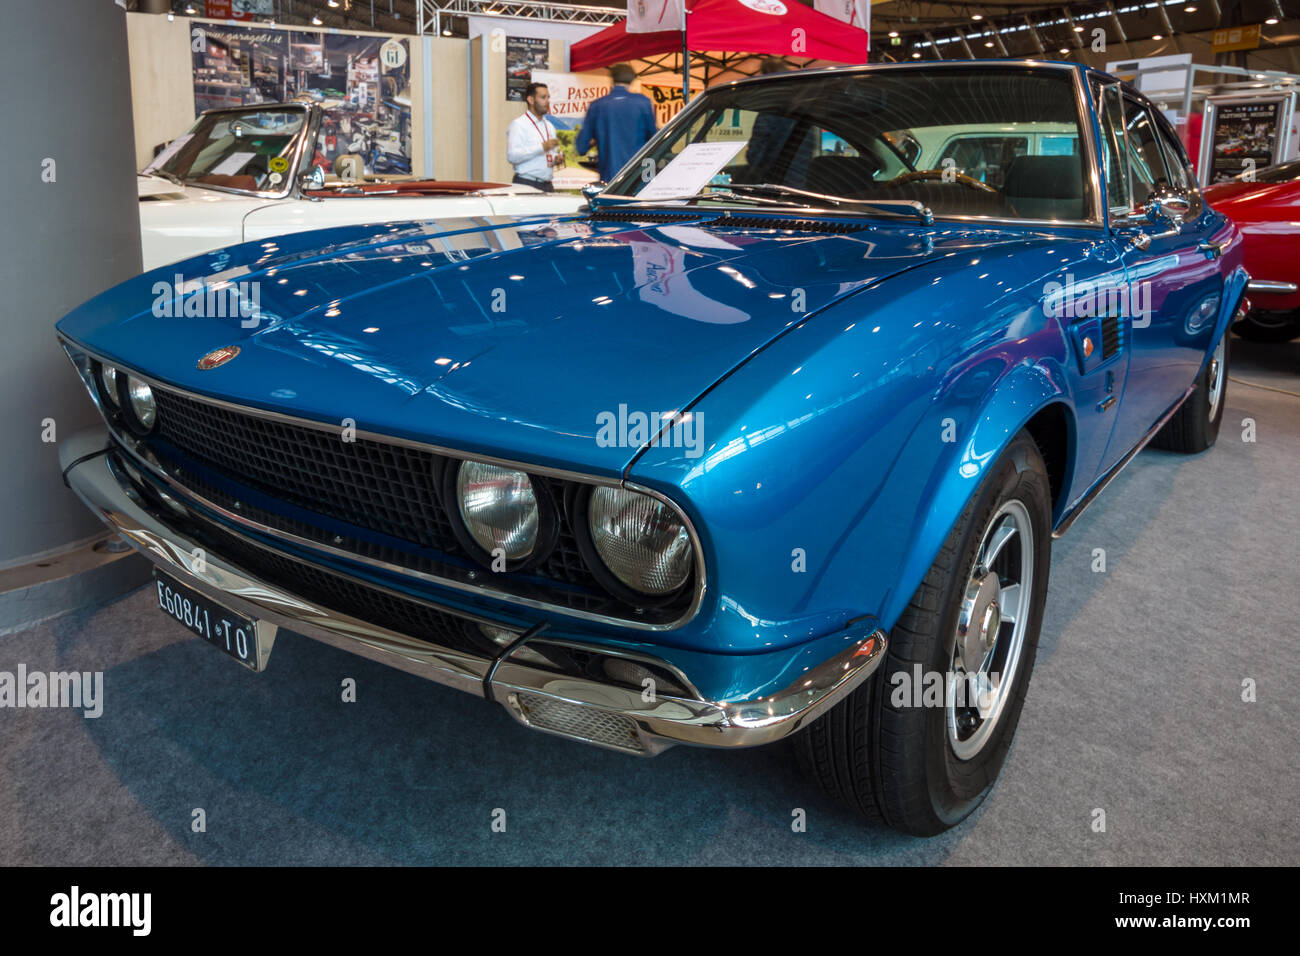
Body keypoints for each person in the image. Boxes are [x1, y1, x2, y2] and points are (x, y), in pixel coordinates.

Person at [575, 64, 657, 183]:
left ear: (611, 79)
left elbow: (581, 147)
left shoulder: (597, 106)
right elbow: (653, 139)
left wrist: (597, 139)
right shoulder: (643, 103)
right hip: (638, 178)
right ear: (632, 80)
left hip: (610, 179)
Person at [507, 82, 563, 192]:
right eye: (543, 97)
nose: (547, 101)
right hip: (526, 183)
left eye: (548, 97)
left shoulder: (549, 126)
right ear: (531, 100)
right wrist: (542, 147)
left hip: (547, 185)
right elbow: (512, 156)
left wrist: (556, 158)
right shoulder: (519, 125)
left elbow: (551, 153)